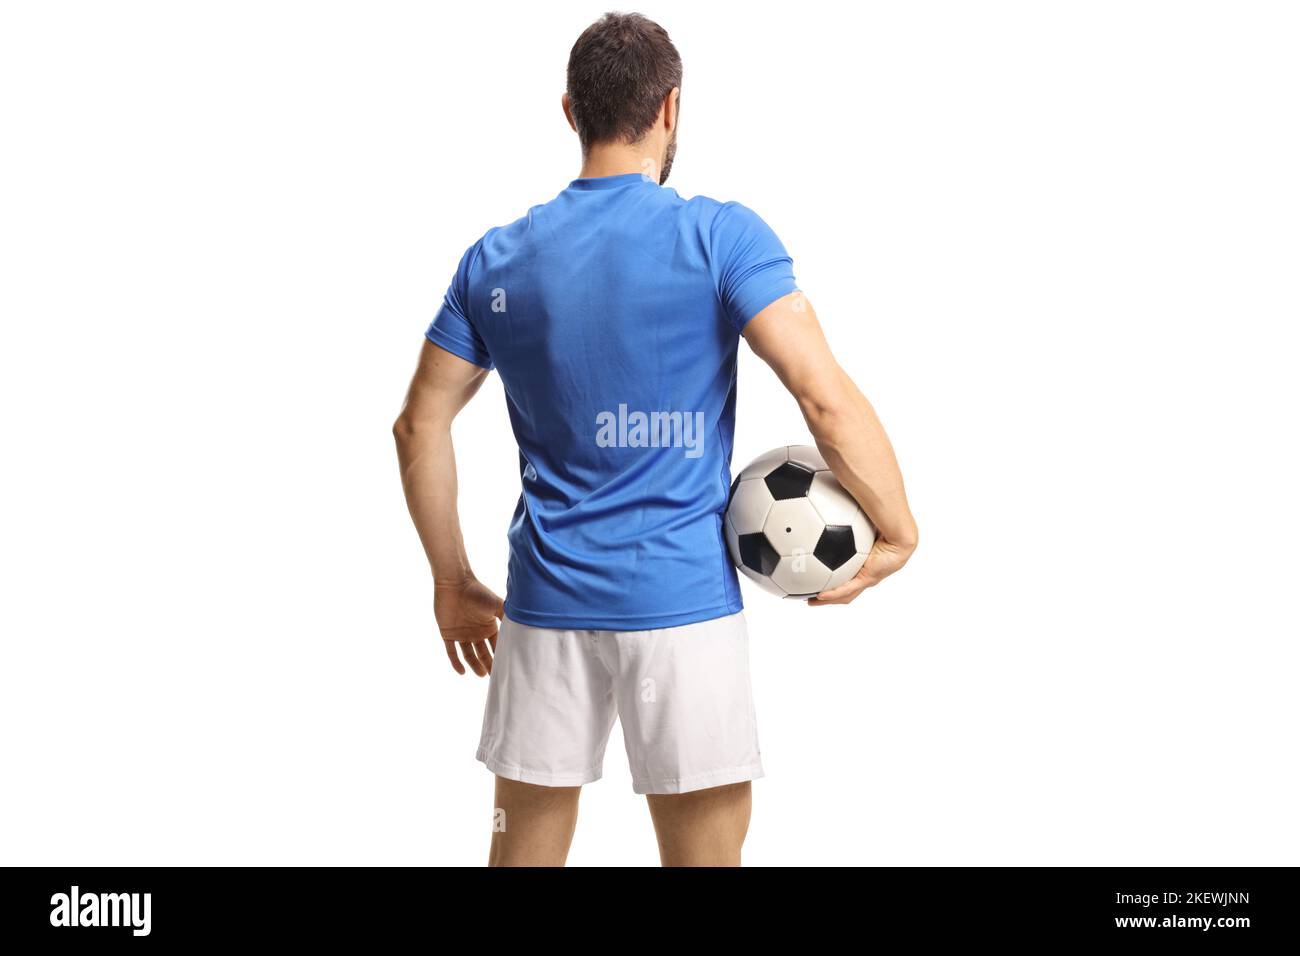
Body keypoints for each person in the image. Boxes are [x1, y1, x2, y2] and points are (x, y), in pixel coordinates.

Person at [394, 12, 917, 867]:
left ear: (571, 111)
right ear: (670, 107)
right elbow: (823, 400)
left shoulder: (493, 261)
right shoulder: (720, 236)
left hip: (544, 613)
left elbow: (419, 424)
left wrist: (452, 581)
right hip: (685, 618)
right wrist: (898, 527)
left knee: (518, 852)